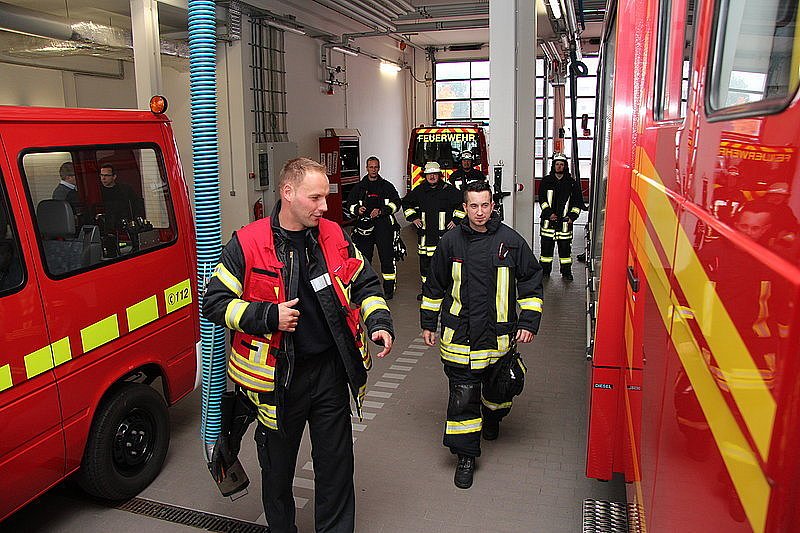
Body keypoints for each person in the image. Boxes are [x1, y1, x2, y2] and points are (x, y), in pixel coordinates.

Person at [203, 157, 394, 533]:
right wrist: (267, 316)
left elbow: (365, 281)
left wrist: (379, 322)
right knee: (276, 475)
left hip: (329, 374)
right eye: (315, 198)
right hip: (277, 382)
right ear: (288, 193)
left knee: (336, 468)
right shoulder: (248, 242)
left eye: (325, 197)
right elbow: (215, 303)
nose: (324, 206)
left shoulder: (333, 235)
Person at [420, 180, 543, 489]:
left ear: (493, 206)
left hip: (499, 340)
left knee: (499, 392)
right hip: (460, 339)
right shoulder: (450, 243)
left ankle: (493, 417)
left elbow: (531, 280)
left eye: (484, 205)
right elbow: (434, 285)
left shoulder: (510, 242)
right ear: (464, 207)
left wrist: (528, 322)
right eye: (473, 206)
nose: (479, 212)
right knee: (463, 398)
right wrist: (428, 323)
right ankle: (466, 457)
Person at [402, 161, 465, 300]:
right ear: (425, 175)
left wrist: (456, 220)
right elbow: (406, 203)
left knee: (445, 266)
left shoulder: (449, 190)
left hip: (444, 237)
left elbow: (463, 204)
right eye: (429, 174)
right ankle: (427, 291)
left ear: (439, 175)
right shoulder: (419, 190)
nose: (432, 177)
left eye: (435, 174)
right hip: (425, 237)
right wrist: (413, 217)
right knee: (425, 267)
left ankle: (446, 293)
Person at [343, 156, 401, 299]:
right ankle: (364, 288)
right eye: (371, 167)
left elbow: (396, 203)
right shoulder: (359, 187)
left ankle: (388, 289)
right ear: (366, 168)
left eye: (375, 167)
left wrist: (382, 211)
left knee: (387, 258)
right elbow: (349, 204)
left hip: (384, 227)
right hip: (364, 227)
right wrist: (357, 210)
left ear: (379, 168)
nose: (373, 170)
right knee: (364, 259)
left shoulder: (387, 186)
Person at [538, 152, 586, 280]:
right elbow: (542, 200)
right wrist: (549, 214)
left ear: (565, 166)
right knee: (545, 252)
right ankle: (544, 272)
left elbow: (577, 203)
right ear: (553, 166)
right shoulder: (546, 181)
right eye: (557, 164)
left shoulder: (571, 183)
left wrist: (572, 217)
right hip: (548, 223)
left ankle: (566, 273)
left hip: (565, 224)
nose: (559, 167)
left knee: (565, 253)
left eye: (562, 164)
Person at [98, 164, 144, 230]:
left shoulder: (125, 190)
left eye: (107, 175)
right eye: (101, 175)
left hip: (125, 226)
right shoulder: (97, 191)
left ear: (114, 177)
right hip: (104, 228)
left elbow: (137, 206)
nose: (103, 178)